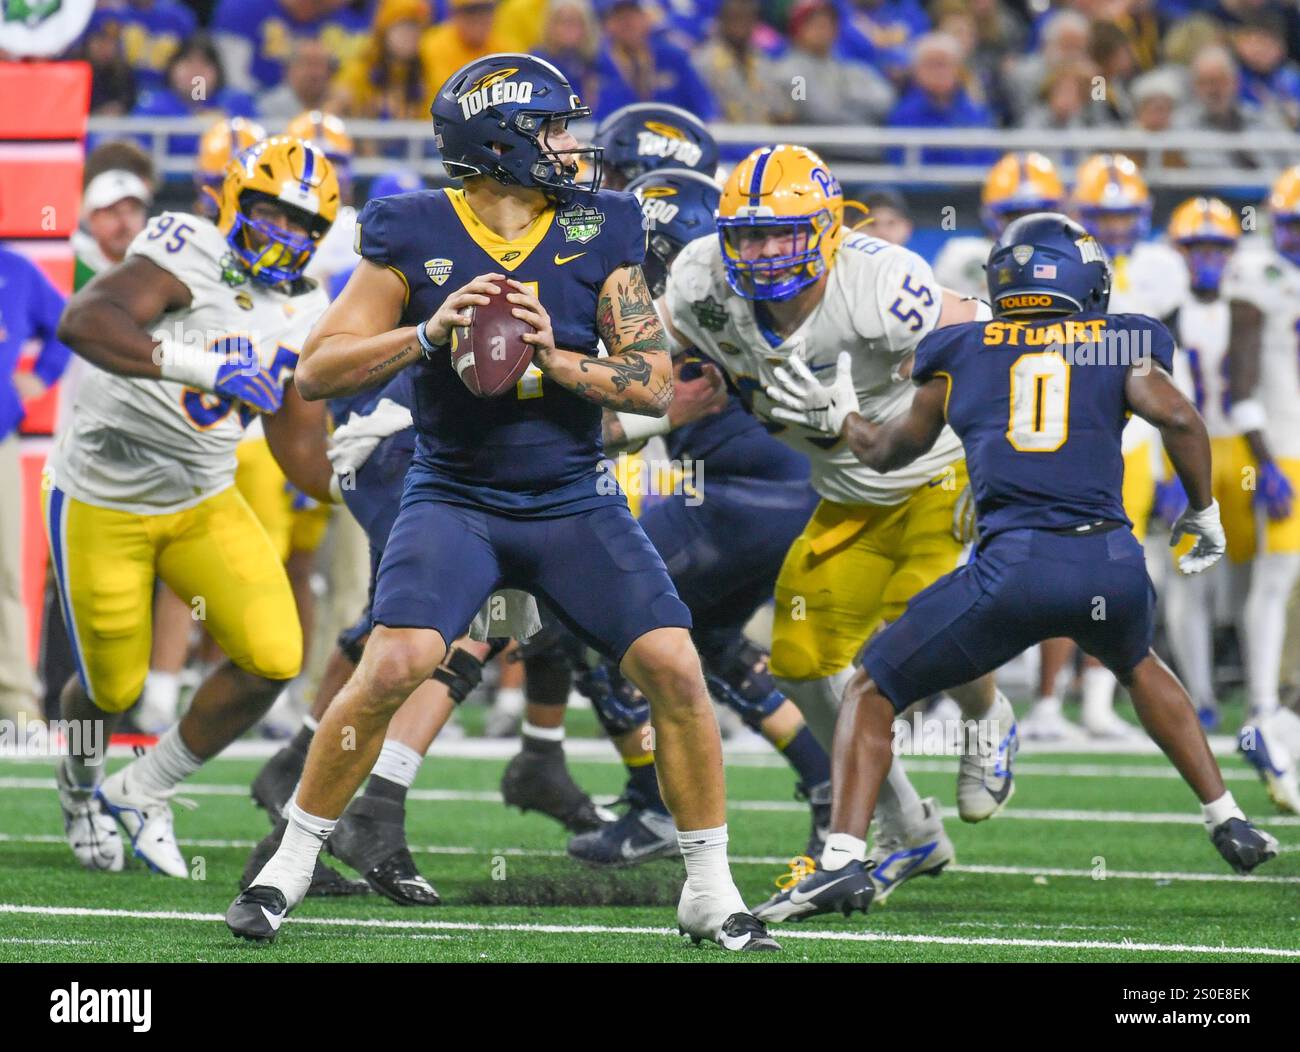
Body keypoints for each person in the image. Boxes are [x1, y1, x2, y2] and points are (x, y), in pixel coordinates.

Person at [226, 53, 778, 952]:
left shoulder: (604, 225)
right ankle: (290, 862)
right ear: (502, 138)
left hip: (571, 494)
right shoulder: (408, 228)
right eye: (554, 129)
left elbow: (650, 384)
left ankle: (709, 890)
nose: (571, 147)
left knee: (676, 667)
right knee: (396, 661)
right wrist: (425, 333)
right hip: (455, 491)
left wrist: (554, 358)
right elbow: (317, 371)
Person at [752, 212, 1279, 922]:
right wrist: (1204, 512)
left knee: (872, 686)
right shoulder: (1120, 339)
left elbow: (886, 453)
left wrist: (841, 417)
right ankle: (1226, 817)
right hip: (1114, 567)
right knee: (1139, 662)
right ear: (1088, 283)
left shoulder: (962, 349)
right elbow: (1182, 420)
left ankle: (842, 862)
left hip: (1017, 570)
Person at [660, 143, 1019, 904]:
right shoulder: (698, 282)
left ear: (824, 228)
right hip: (847, 493)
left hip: (934, 470)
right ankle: (910, 828)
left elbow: (986, 349)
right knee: (799, 660)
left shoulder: (883, 286)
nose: (757, 253)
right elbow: (662, 369)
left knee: (913, 639)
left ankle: (989, 714)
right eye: (746, 235)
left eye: (778, 234)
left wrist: (998, 474)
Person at [48, 137, 340, 877]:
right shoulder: (187, 245)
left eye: (305, 224)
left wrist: (375, 476)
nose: (286, 233)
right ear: (236, 201)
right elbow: (87, 320)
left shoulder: (309, 305)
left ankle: (145, 787)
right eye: (273, 210)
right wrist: (203, 364)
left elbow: (298, 444)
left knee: (275, 654)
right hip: (102, 493)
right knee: (111, 687)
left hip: (202, 494)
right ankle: (80, 789)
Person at [565, 166, 830, 867]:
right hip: (779, 493)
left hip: (734, 497)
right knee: (708, 643)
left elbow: (650, 411)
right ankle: (826, 780)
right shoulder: (728, 291)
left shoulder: (681, 303)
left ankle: (656, 807)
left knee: (593, 616)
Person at [1029, 150, 1188, 742]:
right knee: (1057, 567)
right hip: (1071, 430)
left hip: (1139, 437)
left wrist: (1174, 457)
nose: (1116, 227)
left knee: (1116, 571)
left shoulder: (1162, 267)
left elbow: (1177, 366)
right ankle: (1046, 700)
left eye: (1124, 216)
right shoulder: (1062, 261)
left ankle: (1097, 701)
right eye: (1103, 215)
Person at [1158, 197, 1249, 734]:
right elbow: (1163, 405)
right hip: (1192, 458)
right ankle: (1201, 690)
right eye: (1199, 247)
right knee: (1187, 578)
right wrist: (1169, 472)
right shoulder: (1166, 318)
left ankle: (1261, 692)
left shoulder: (1250, 310)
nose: (1208, 258)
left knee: (1246, 582)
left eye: (1217, 247)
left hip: (1244, 454)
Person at [1228, 166, 1300, 814]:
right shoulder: (1261, 275)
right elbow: (1239, 376)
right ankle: (1260, 711)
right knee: (1276, 580)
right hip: (1286, 449)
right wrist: (1265, 459)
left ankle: (1285, 715)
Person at [0, 247, 71, 722]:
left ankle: (15, 704)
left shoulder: (15, 271)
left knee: (5, 571)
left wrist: (42, 376)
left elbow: (70, 326)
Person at [933, 150, 1065, 300]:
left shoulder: (1072, 259)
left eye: (1037, 214)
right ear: (992, 215)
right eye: (1015, 215)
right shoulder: (962, 256)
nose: (1027, 225)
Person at [590, 0, 718, 120]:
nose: (628, 23)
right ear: (607, 24)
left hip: (672, 136)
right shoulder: (594, 64)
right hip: (615, 139)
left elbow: (704, 105)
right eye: (619, 17)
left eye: (633, 16)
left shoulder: (673, 58)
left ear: (646, 19)